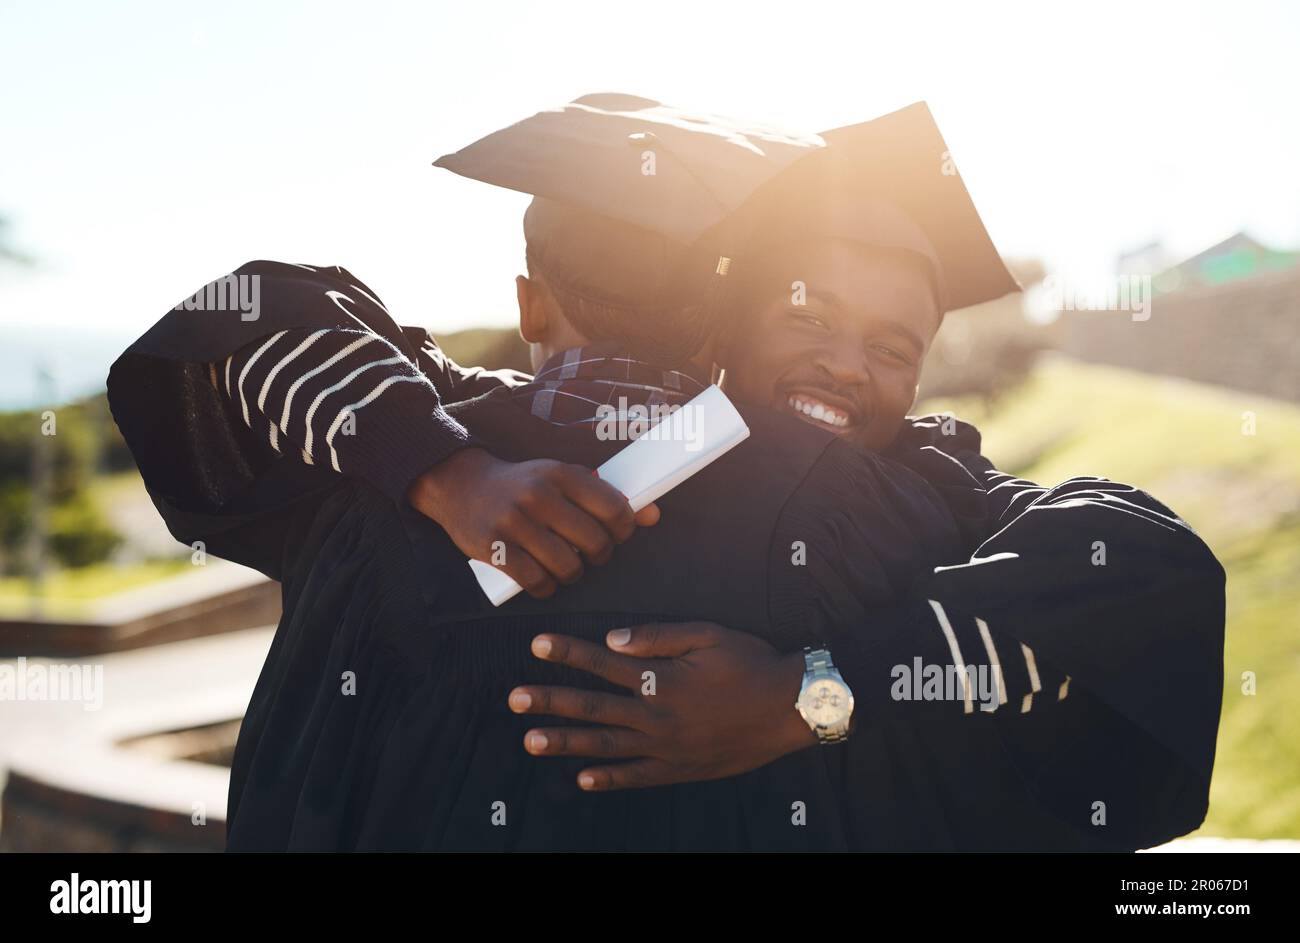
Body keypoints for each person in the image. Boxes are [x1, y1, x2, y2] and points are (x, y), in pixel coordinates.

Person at [107, 97, 1225, 851]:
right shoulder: (906, 524)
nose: (846, 361)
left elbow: (1146, 567)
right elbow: (257, 314)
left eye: (893, 347)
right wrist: (447, 474)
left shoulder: (933, 498)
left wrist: (808, 693)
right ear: (721, 330)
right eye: (810, 317)